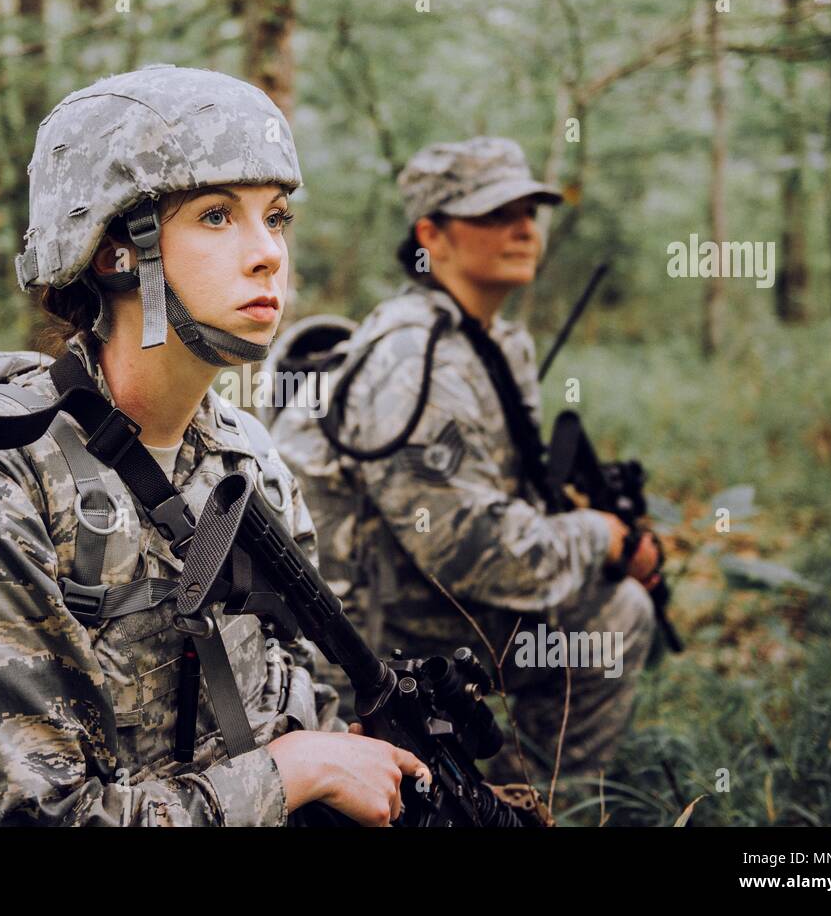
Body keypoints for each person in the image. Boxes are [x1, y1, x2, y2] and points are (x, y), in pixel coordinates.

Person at [0, 65, 429, 826]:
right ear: (115, 252)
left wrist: (337, 763)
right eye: (218, 217)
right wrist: (290, 777)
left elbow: (291, 704)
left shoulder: (246, 461)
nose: (267, 254)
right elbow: (37, 819)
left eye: (277, 216)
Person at [272, 136, 658, 787]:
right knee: (619, 614)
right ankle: (533, 791)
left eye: (528, 212)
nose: (522, 229)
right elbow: (470, 551)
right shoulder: (414, 357)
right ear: (434, 236)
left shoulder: (495, 338)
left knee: (605, 604)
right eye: (493, 215)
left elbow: (501, 497)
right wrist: (602, 539)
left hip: (435, 601)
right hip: (376, 641)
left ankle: (533, 788)